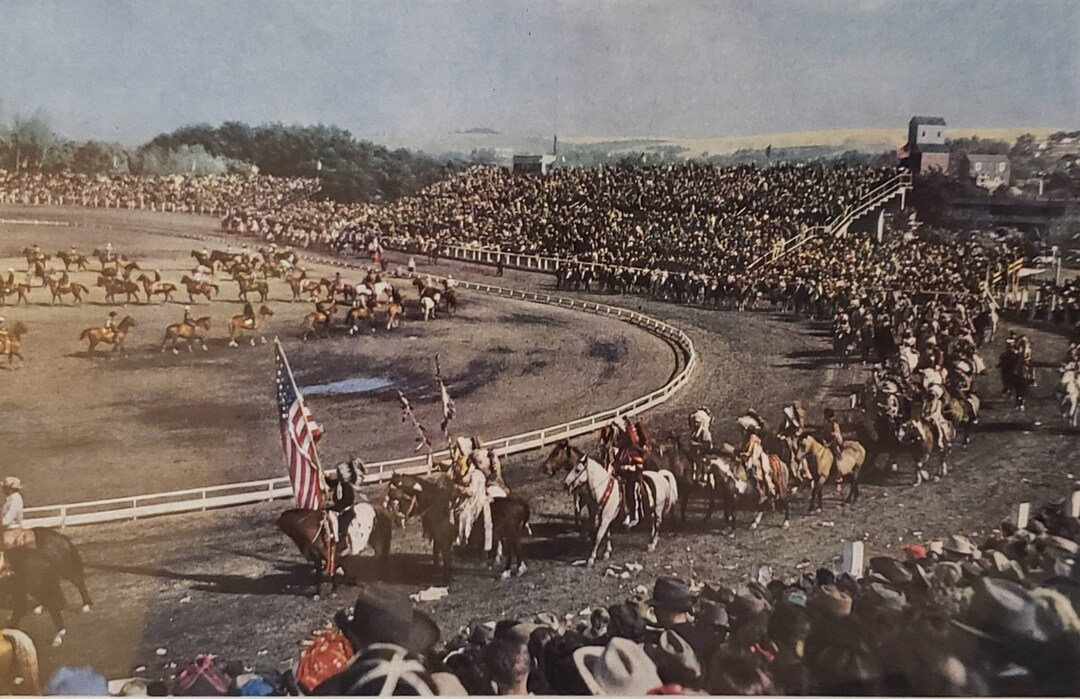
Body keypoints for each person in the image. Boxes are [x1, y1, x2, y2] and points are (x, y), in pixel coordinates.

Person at [739, 412, 776, 503]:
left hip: (756, 458)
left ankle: (762, 493)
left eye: (743, 429)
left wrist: (741, 454)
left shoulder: (752, 438)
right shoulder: (746, 438)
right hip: (751, 458)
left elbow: (749, 452)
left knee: (754, 472)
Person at [1, 477, 25, 549]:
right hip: (8, 529)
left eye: (4, 487)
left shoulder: (15, 499)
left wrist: (2, 522)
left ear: (10, 489)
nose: (2, 489)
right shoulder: (10, 499)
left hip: (12, 532)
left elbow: (8, 519)